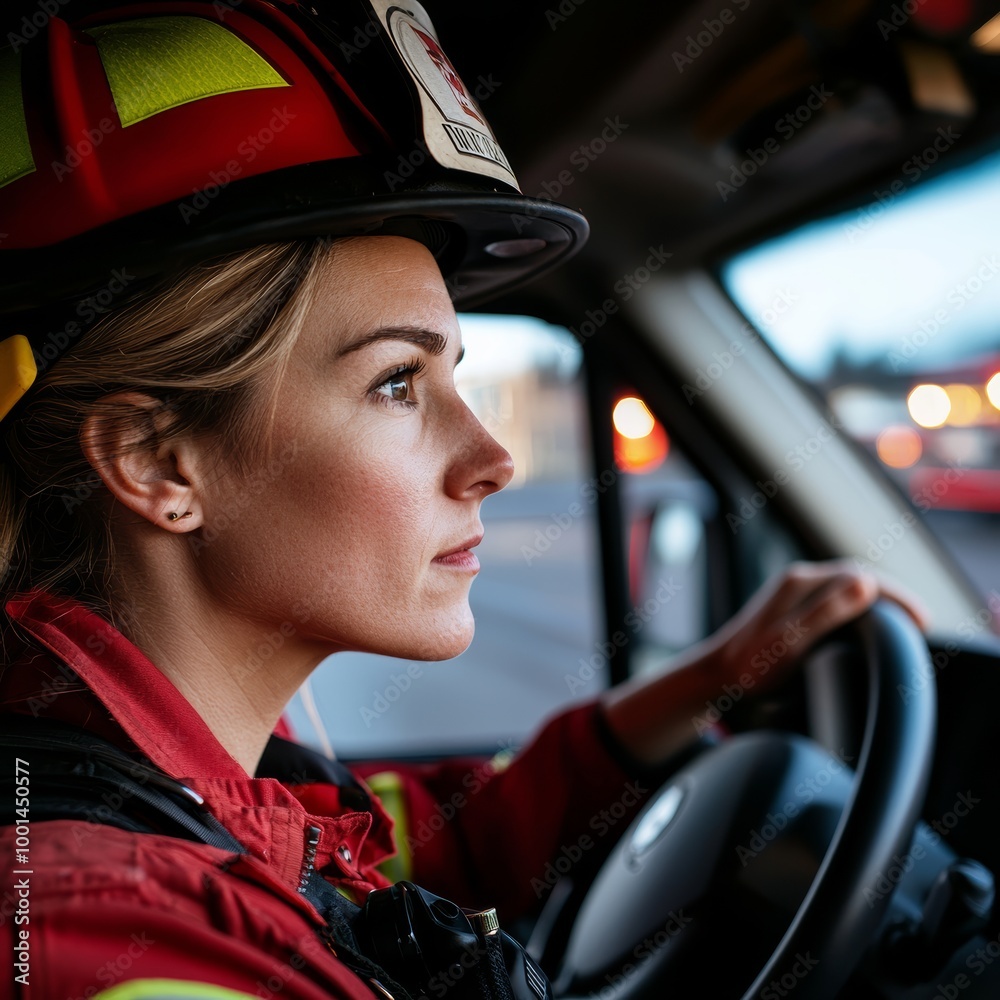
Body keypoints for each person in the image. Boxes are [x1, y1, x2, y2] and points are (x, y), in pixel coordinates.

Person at [0, 2, 927, 998]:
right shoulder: (91, 928)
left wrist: (709, 677)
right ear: (157, 465)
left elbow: (404, 851)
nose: (493, 458)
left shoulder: (210, 790)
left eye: (456, 379)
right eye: (398, 382)